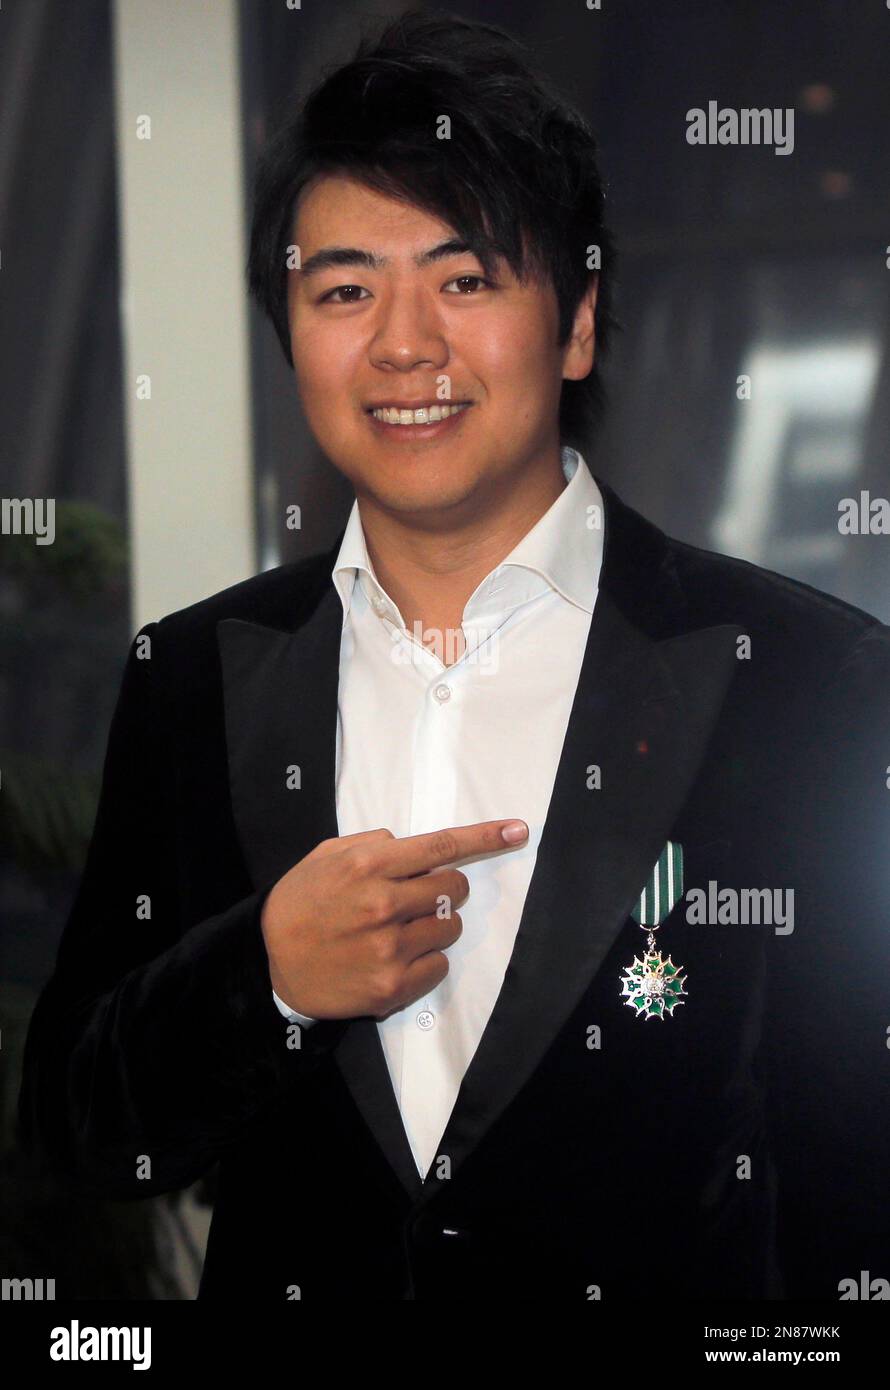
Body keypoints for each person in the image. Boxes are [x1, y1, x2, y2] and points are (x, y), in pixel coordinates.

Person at [19, 11, 890, 1301]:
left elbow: (856, 1167)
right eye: (346, 289)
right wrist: (264, 977)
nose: (405, 343)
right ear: (292, 334)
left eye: (466, 277)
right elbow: (82, 1129)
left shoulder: (809, 679)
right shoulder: (196, 676)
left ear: (577, 323)